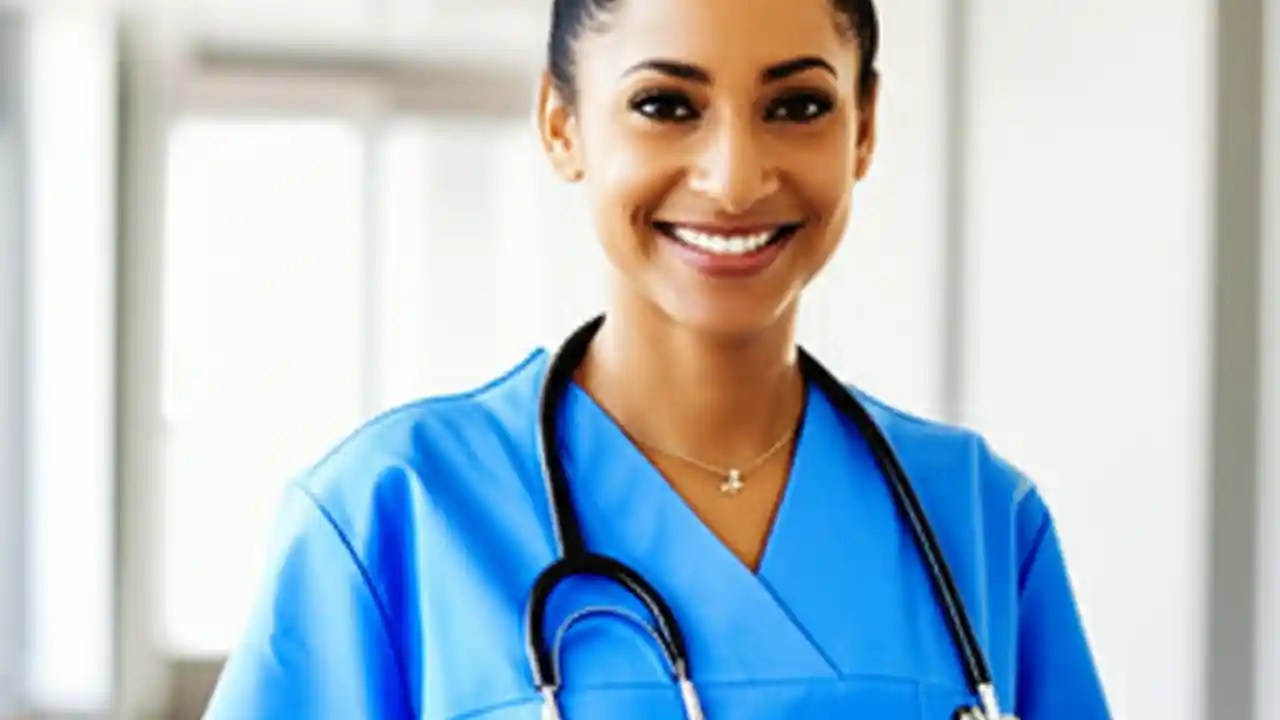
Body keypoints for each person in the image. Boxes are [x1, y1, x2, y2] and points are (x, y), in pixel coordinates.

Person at [206, 0, 1111, 717]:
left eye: (797, 106)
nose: (735, 178)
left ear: (864, 126)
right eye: (666, 106)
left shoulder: (979, 518)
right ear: (562, 125)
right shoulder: (395, 510)